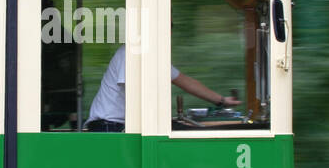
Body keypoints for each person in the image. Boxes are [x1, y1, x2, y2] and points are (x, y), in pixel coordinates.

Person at [84, 44, 238, 131]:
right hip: (108, 127)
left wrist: (222, 101)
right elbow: (135, 93)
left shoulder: (154, 55)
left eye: (171, 25)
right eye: (167, 25)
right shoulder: (130, 52)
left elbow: (185, 81)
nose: (169, 30)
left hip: (126, 126)